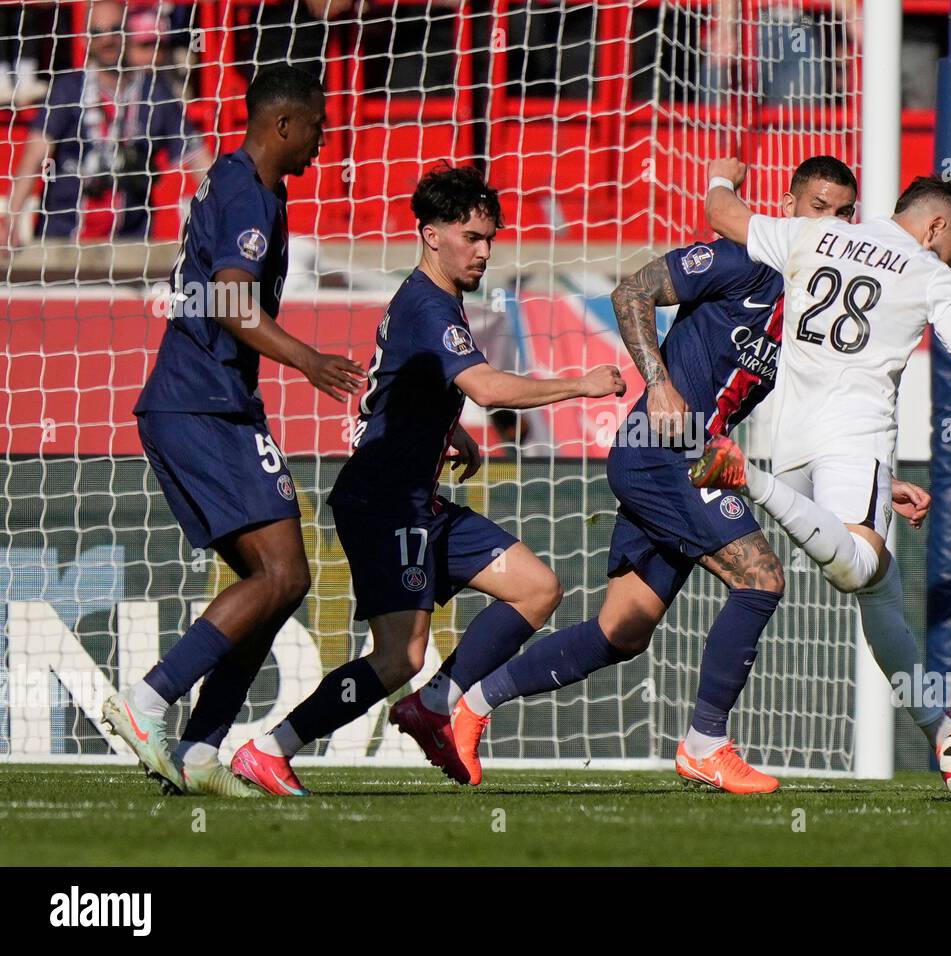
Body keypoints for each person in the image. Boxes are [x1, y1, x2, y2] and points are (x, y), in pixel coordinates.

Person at [445, 157, 931, 794]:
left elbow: (819, 417)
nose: (831, 222)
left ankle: (472, 705)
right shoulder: (742, 261)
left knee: (623, 629)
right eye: (818, 207)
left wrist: (866, 479)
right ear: (786, 207)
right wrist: (660, 385)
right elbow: (631, 291)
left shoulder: (816, 305)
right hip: (661, 448)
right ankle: (706, 743)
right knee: (761, 579)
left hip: (695, 459)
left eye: (843, 213)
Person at [229, 164, 626, 796]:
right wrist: (579, 383)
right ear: (430, 235)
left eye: (490, 238)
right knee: (399, 657)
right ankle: (271, 749)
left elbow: (404, 382)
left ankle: (434, 704)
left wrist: (448, 429)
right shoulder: (425, 302)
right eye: (471, 237)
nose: (484, 251)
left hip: (418, 496)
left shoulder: (439, 301)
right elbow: (488, 387)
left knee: (537, 587)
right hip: (382, 501)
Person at [692, 162, 951, 752]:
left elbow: (722, 216)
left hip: (794, 448)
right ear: (937, 226)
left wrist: (721, 177)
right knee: (862, 570)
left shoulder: (816, 232)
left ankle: (941, 735)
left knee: (880, 590)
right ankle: (746, 479)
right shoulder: (929, 275)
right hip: (853, 442)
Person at [102, 63, 366, 797]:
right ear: (284, 125)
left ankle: (197, 748)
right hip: (202, 405)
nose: (322, 141)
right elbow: (232, 305)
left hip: (209, 405)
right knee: (282, 573)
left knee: (278, 580)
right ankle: (148, 699)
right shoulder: (249, 191)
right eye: (316, 126)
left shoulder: (240, 179)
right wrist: (309, 360)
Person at [1, 0, 212, 252]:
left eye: (115, 30)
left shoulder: (155, 92)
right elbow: (34, 156)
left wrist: (229, 207)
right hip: (63, 241)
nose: (108, 40)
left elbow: (198, 159)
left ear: (128, 33)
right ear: (84, 40)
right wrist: (10, 218)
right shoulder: (68, 89)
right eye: (97, 33)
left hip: (133, 242)